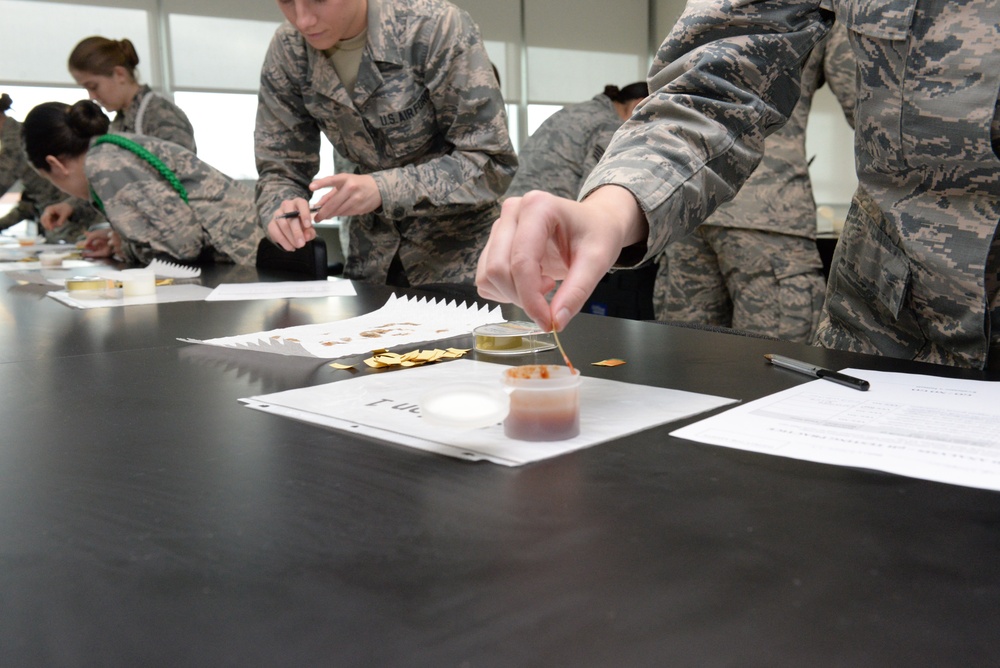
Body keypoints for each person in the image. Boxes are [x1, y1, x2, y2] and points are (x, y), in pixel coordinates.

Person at [477, 1, 1000, 371]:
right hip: (780, 242)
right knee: (723, 376)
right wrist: (614, 209)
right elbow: (717, 76)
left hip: (693, 220)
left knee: (694, 363)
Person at [256, 0, 517, 288]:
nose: (303, 20)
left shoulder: (434, 27)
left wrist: (385, 189)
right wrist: (279, 210)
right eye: (287, 2)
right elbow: (280, 171)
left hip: (465, 266)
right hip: (372, 269)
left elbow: (491, 162)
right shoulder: (290, 49)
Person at [653, 21, 855, 343]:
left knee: (687, 364)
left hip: (688, 203)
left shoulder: (704, 8)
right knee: (774, 371)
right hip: (766, 214)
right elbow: (867, 103)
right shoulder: (820, 8)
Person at [23, 100, 262, 266]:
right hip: (247, 249)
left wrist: (126, 247)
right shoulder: (107, 149)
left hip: (252, 256)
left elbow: (184, 245)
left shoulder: (102, 165)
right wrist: (115, 237)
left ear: (55, 164)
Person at [42, 35, 198, 235]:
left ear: (120, 74)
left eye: (93, 86)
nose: (92, 97)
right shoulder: (119, 123)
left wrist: (125, 239)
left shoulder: (160, 116)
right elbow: (113, 185)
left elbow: (177, 189)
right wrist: (72, 207)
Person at [504, 82, 649, 200]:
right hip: (545, 212)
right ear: (639, 105)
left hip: (515, 202)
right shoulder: (610, 126)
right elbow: (594, 192)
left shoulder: (579, 110)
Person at [0, 93, 86, 243]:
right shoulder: (19, 136)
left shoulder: (15, 141)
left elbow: (2, 180)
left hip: (71, 221)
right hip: (60, 221)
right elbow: (29, 201)